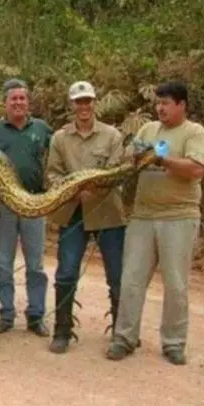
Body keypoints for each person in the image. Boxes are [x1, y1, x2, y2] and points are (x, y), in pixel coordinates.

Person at [107, 81, 204, 365]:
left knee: (176, 284)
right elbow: (130, 158)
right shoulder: (147, 130)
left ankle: (174, 343)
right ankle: (124, 339)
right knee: (131, 279)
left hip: (179, 216)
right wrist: (136, 156)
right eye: (158, 103)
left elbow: (196, 170)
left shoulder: (195, 133)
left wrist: (162, 159)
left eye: (166, 103)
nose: (160, 108)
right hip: (143, 215)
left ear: (182, 105)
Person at [45, 81, 127, 354]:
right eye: (78, 101)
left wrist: (92, 188)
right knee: (66, 272)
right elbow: (53, 173)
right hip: (72, 211)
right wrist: (72, 190)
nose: (83, 106)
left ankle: (121, 333)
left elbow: (117, 172)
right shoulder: (59, 138)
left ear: (95, 103)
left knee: (117, 275)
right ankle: (62, 331)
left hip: (108, 213)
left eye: (88, 101)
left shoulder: (113, 135)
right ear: (72, 105)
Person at [0, 78, 53, 337]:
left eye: (22, 98)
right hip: (3, 205)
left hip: (35, 203)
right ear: (5, 103)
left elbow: (56, 157)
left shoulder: (43, 129)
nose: (18, 103)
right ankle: (6, 314)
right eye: (13, 99)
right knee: (3, 263)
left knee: (35, 264)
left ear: (29, 102)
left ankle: (36, 315)